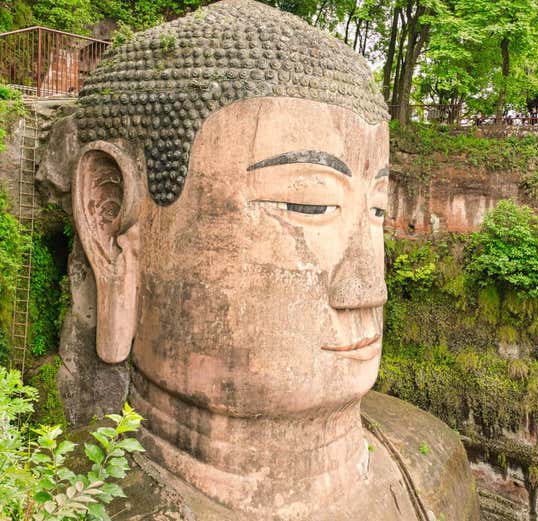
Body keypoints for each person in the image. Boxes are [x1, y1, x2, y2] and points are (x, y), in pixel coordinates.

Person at [70, 2, 480, 519]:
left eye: (377, 209)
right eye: (308, 203)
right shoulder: (66, 500)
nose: (368, 288)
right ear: (110, 224)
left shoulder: (433, 463)